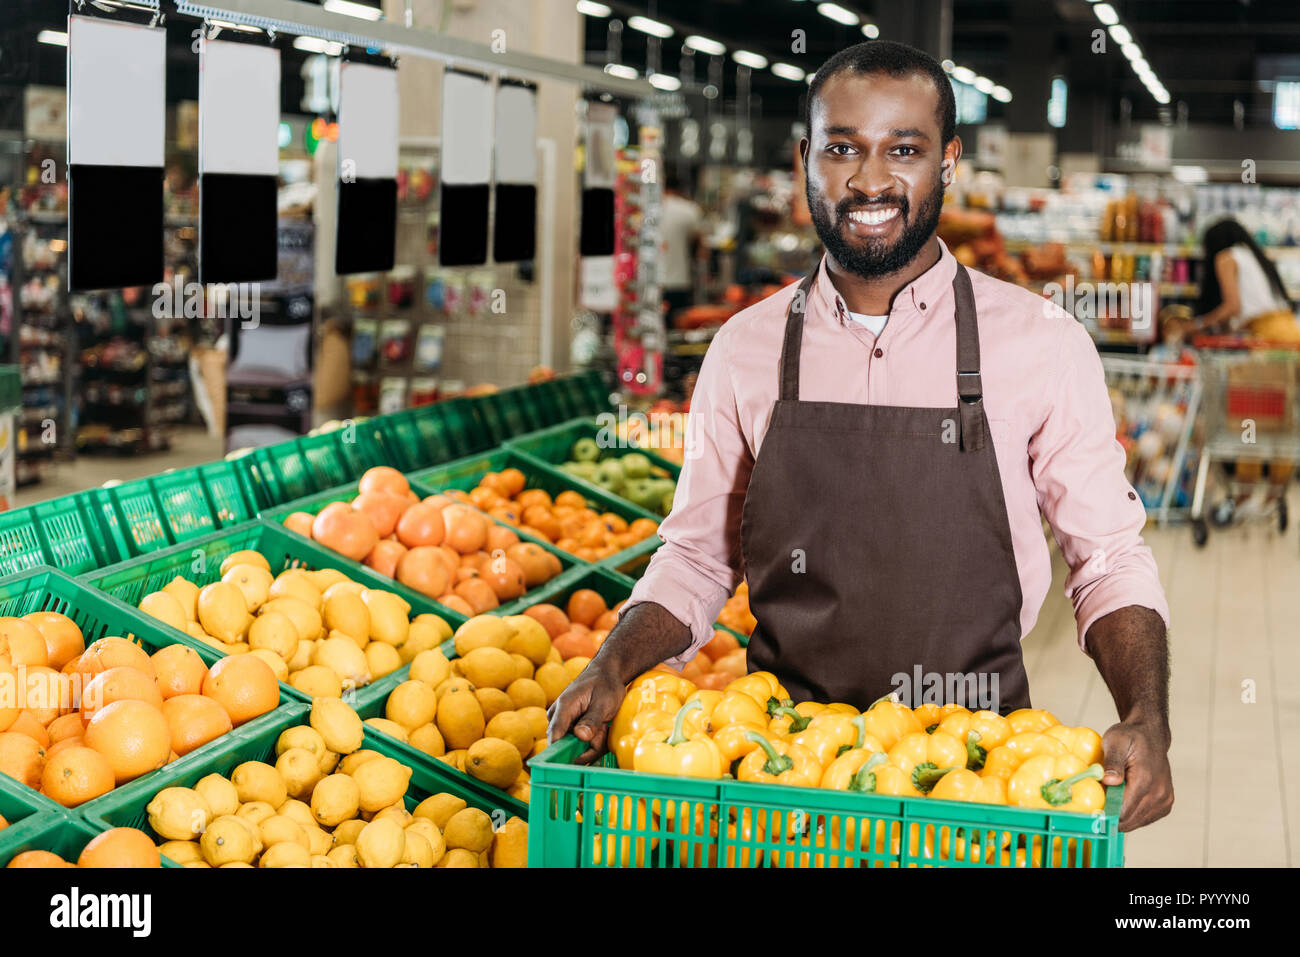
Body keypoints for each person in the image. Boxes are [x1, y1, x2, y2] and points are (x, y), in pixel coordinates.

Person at [551, 40, 1173, 832]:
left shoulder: (1042, 345)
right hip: (779, 776)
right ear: (806, 157)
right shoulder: (745, 349)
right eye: (842, 148)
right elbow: (699, 557)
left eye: (903, 150)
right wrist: (614, 661)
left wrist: (1147, 716)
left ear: (948, 161)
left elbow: (1109, 558)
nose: (871, 180)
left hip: (975, 778)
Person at [1190, 218, 1300, 343]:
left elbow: (1232, 307)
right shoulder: (1253, 255)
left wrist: (1197, 324)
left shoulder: (1226, 257)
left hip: (1268, 335)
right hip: (1289, 329)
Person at [658, 166, 704, 322]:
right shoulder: (689, 210)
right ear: (679, 189)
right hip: (679, 281)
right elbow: (700, 248)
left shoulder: (648, 209)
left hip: (653, 282)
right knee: (677, 327)